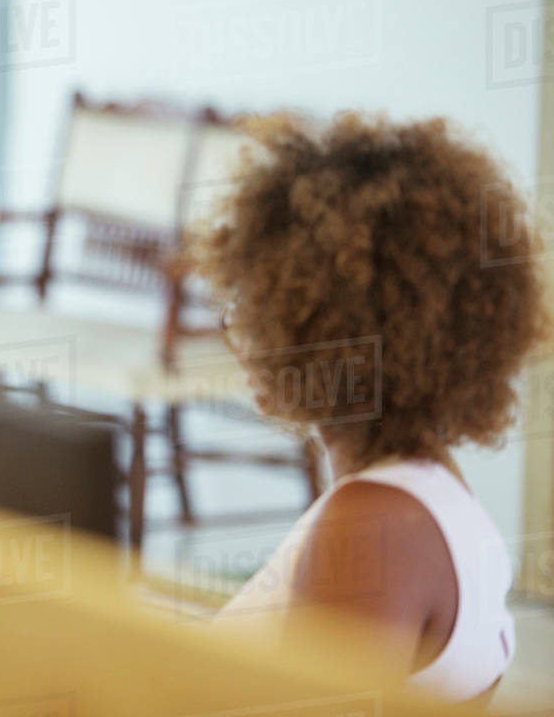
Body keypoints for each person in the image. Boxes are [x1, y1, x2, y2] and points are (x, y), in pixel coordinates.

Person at [193, 112, 547, 704]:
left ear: (316, 327)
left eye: (249, 299)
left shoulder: (373, 525)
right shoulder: (430, 489)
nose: (234, 326)